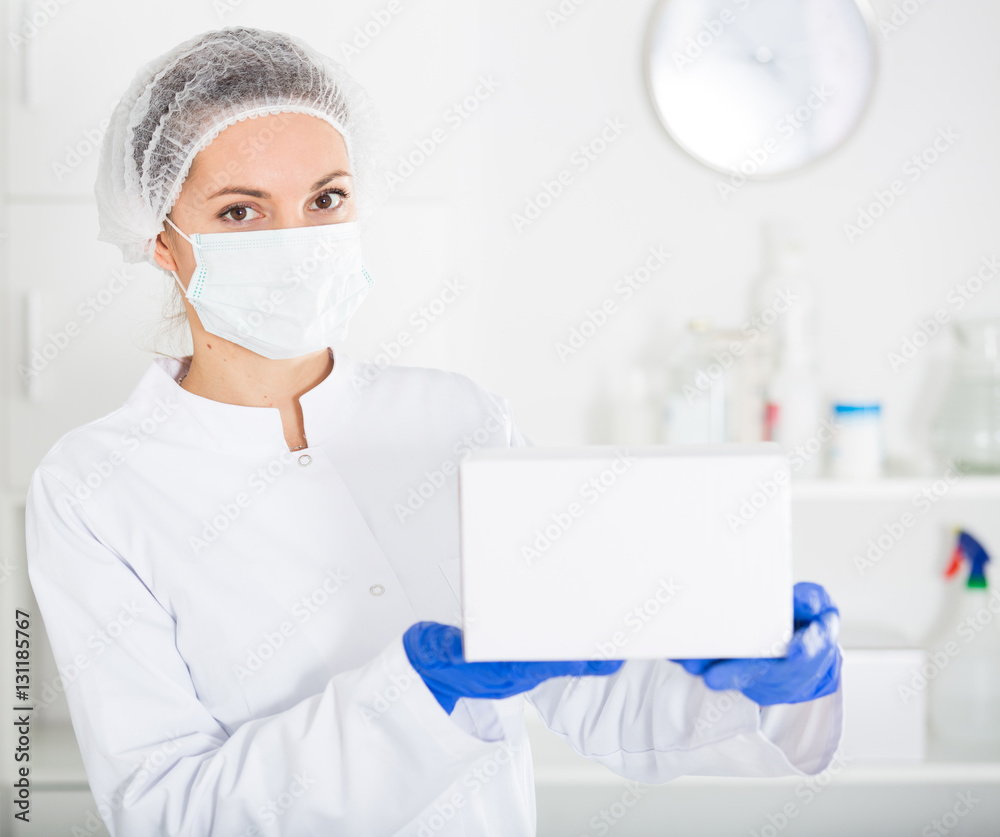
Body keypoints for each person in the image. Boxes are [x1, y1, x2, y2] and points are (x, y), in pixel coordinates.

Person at [24, 25, 843, 837]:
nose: (298, 242)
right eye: (242, 211)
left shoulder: (458, 420)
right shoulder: (97, 486)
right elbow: (168, 809)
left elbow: (600, 697)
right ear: (163, 242)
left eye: (326, 198)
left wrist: (763, 680)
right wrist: (420, 692)